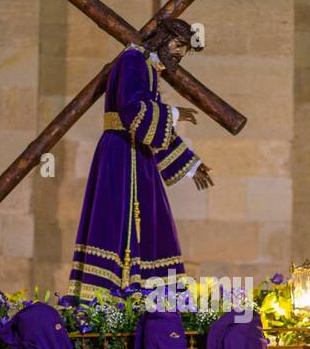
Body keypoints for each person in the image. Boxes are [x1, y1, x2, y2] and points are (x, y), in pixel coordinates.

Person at [64, 17, 212, 304]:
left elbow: (151, 130)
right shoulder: (132, 60)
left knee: (153, 223)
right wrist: (175, 113)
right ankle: (108, 299)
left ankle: (150, 299)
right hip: (120, 154)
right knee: (115, 222)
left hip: (137, 155)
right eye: (177, 49)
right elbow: (133, 110)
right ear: (166, 40)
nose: (178, 58)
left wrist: (191, 165)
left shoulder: (148, 67)